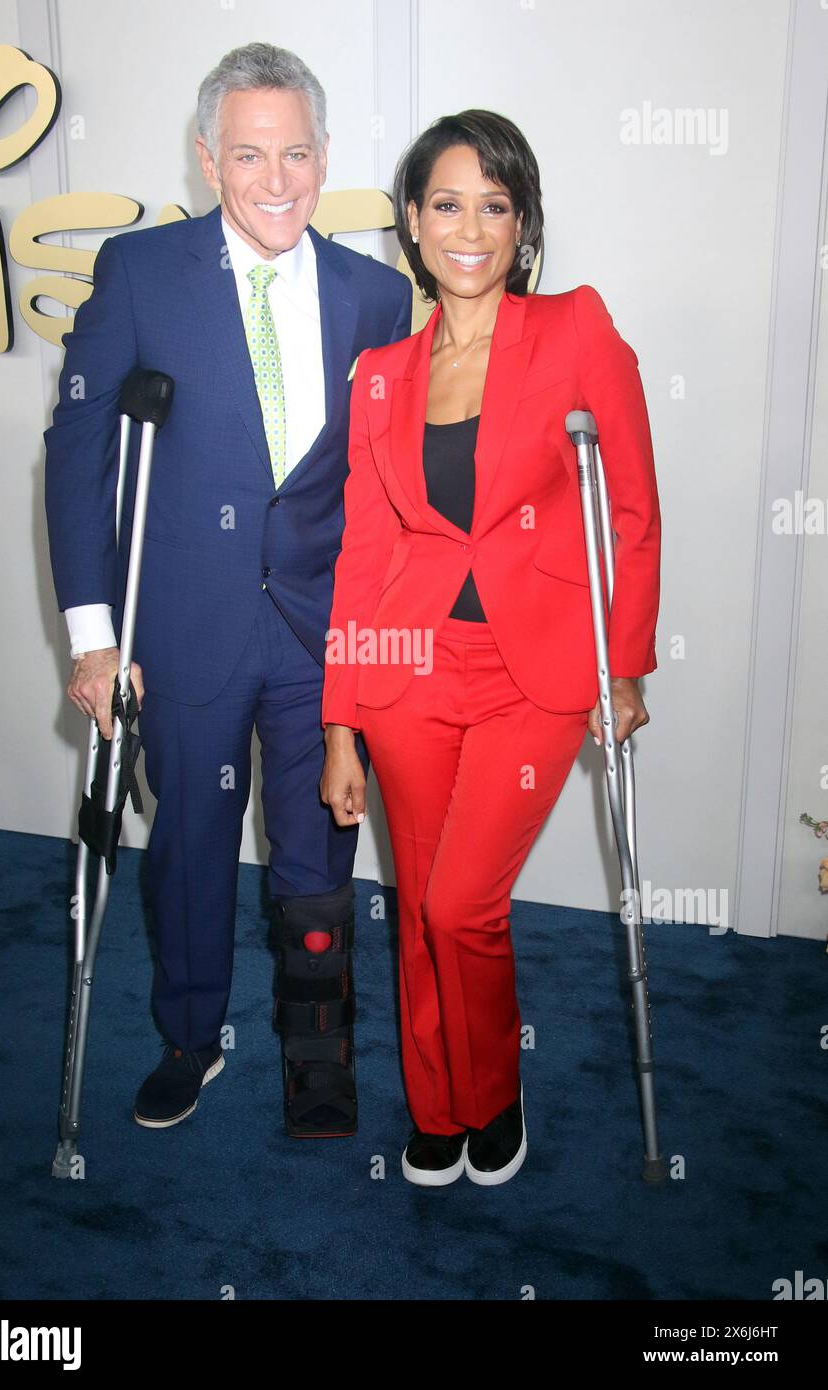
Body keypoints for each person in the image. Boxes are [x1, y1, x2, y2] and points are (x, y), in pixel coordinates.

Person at [44, 43, 412, 1138]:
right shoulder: (142, 273)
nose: (275, 177)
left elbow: (387, 487)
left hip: (318, 635)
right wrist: (94, 636)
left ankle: (316, 1059)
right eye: (249, 153)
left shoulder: (376, 295)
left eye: (296, 151)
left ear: (325, 154)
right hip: (184, 628)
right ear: (209, 158)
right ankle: (189, 1040)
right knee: (190, 847)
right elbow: (78, 456)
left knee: (315, 855)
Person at [320, 110, 661, 1185]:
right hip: (407, 671)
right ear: (412, 224)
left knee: (461, 901)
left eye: (495, 205)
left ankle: (492, 1090)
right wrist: (340, 722)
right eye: (446, 203)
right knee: (416, 899)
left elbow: (632, 512)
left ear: (522, 222)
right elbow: (362, 554)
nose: (471, 227)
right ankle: (437, 1105)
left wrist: (625, 663)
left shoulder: (575, 330)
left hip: (536, 671)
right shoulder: (380, 372)